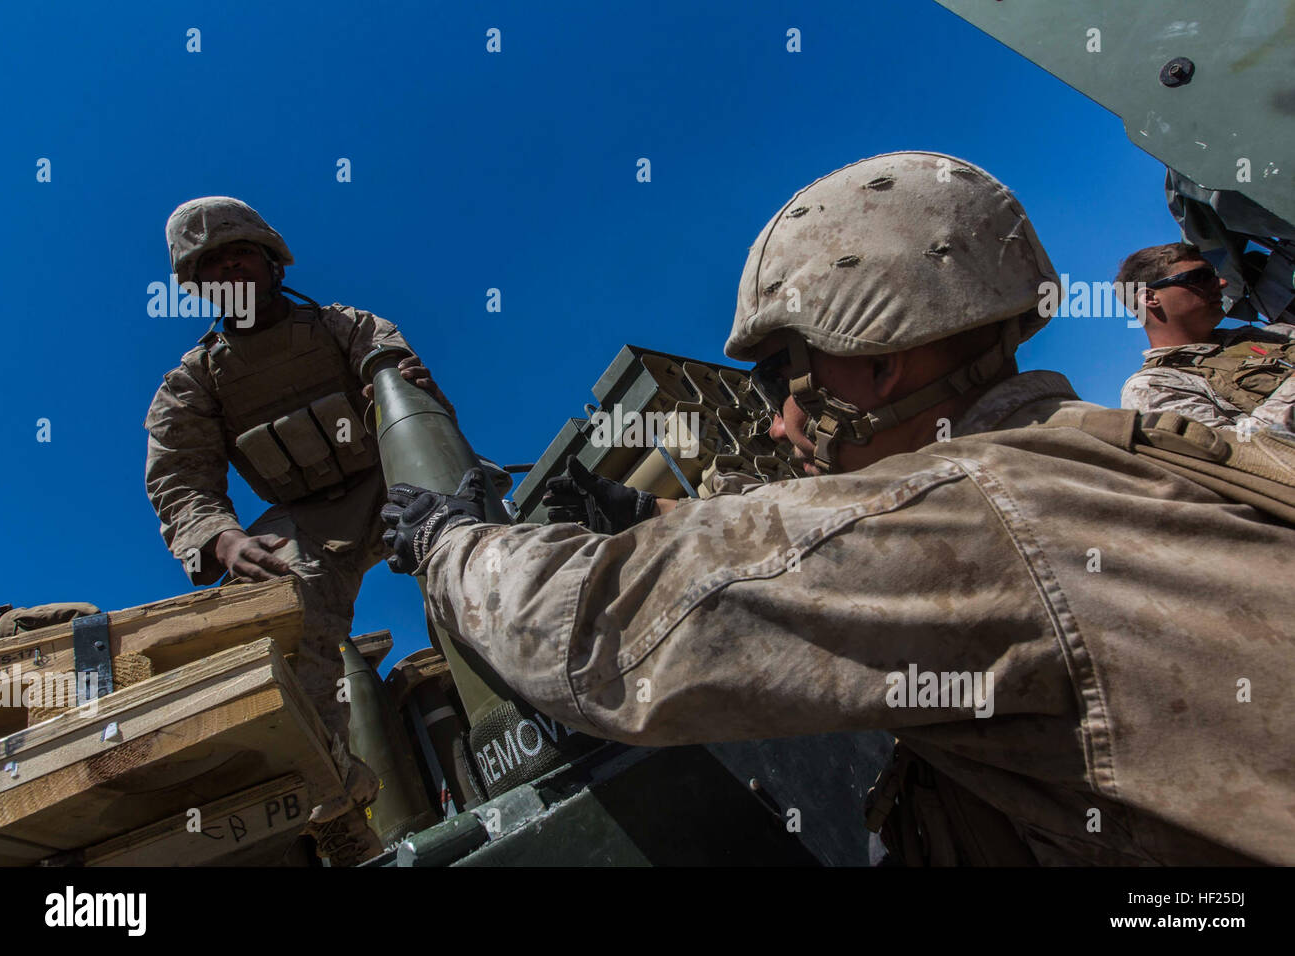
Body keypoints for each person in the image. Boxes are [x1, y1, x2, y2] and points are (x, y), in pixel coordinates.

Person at [381, 153, 1295, 865]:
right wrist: (644, 514)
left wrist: (446, 538)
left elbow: (582, 630)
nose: (780, 424)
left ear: (877, 363)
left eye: (783, 377)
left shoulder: (971, 514)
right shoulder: (1148, 450)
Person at [144, 196, 454, 863]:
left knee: (468, 544)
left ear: (272, 260)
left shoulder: (343, 324)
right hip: (307, 521)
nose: (231, 268)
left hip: (391, 477)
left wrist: (406, 388)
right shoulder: (193, 383)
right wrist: (225, 539)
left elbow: (398, 376)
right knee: (275, 623)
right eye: (212, 264)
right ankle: (335, 814)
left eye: (241, 253)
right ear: (198, 288)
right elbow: (181, 481)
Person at [1118, 241, 1295, 433]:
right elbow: (1233, 452)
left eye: (1214, 275)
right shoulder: (1154, 386)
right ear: (1150, 298)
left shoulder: (1266, 335)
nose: (1222, 283)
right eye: (1201, 277)